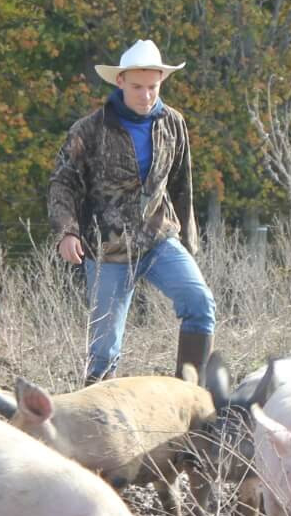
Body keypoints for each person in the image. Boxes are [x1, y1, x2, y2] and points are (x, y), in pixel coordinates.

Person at [48, 39, 216, 384]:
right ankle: (94, 416)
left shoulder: (173, 123)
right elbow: (63, 184)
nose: (145, 95)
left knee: (200, 303)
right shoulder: (88, 130)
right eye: (137, 87)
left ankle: (191, 398)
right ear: (120, 82)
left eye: (152, 87)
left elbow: (182, 184)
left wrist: (188, 239)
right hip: (106, 247)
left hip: (158, 239)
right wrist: (67, 232)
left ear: (161, 83)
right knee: (104, 349)